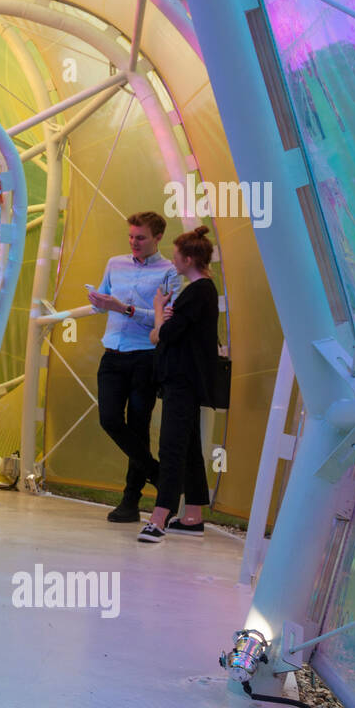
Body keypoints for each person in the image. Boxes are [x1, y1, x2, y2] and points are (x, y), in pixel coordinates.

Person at [87, 212, 180, 522]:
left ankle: (130, 501)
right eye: (131, 236)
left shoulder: (170, 272)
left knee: (138, 427)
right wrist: (99, 301)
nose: (133, 242)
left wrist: (123, 308)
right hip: (113, 353)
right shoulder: (115, 263)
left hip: (145, 357)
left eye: (140, 237)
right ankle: (158, 474)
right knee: (109, 419)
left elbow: (165, 319)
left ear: (157, 238)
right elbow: (99, 304)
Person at [138, 226, 219, 543]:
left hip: (182, 382)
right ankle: (193, 515)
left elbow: (160, 336)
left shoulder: (196, 292)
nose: (173, 261)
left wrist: (159, 312)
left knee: (171, 447)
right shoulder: (203, 291)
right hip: (187, 380)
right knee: (187, 447)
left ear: (188, 259)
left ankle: (160, 517)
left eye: (176, 256)